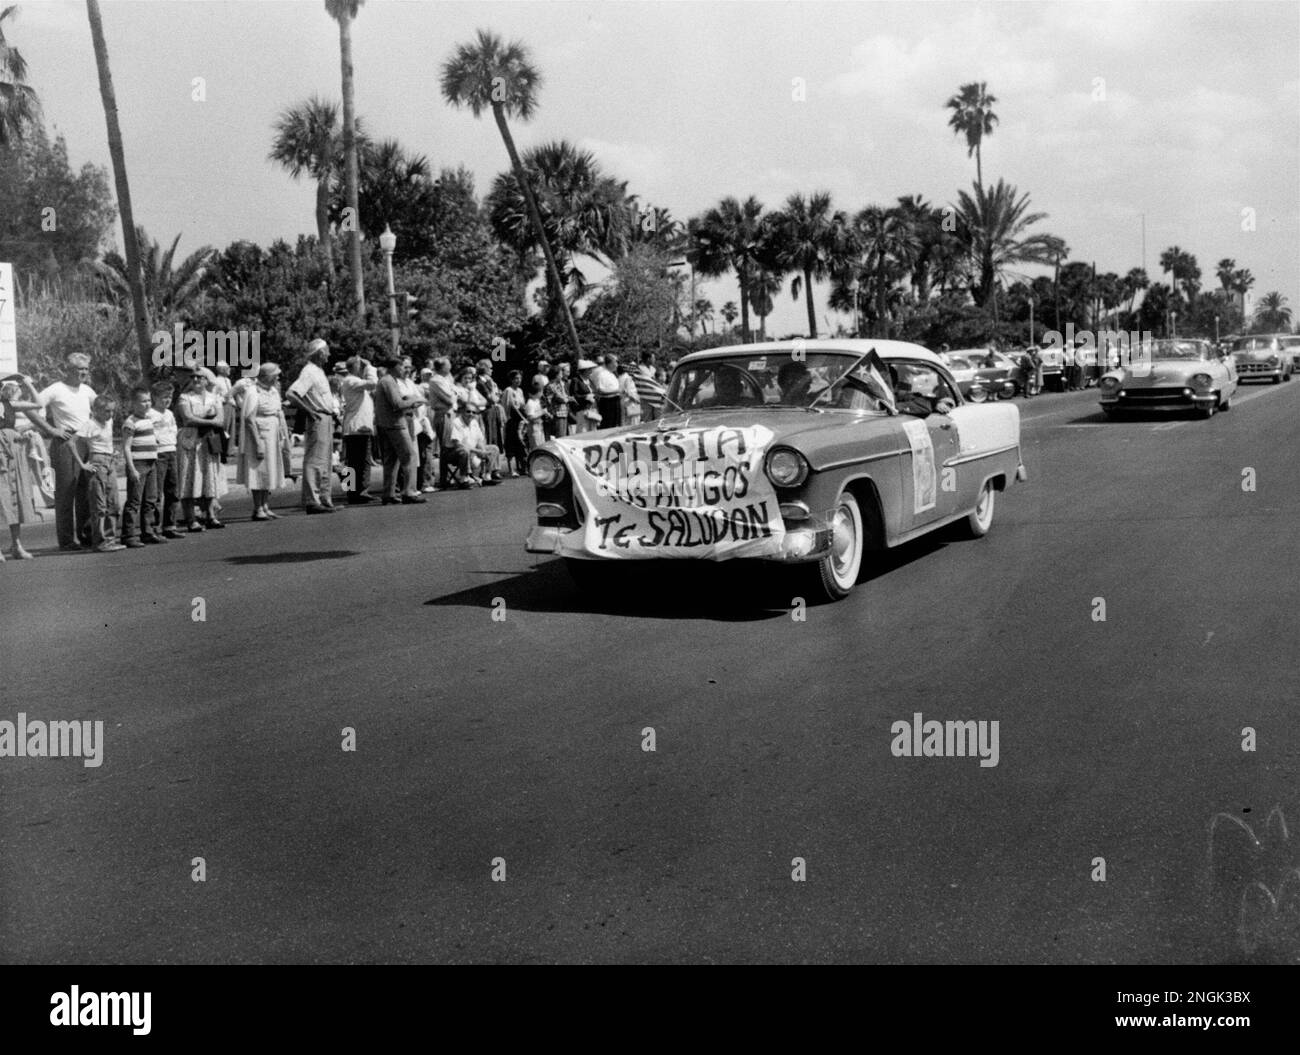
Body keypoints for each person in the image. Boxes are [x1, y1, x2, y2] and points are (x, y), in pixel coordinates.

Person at [37, 352, 97, 550]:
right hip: (65, 442)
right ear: (69, 370)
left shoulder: (87, 390)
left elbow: (101, 409)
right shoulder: (56, 389)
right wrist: (51, 429)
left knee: (86, 491)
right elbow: (33, 407)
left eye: (86, 369)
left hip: (86, 440)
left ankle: (86, 535)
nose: (84, 373)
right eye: (80, 369)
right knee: (65, 492)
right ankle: (67, 540)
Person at [286, 338, 338, 514]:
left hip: (326, 417)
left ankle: (324, 498)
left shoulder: (318, 371)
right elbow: (292, 394)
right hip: (318, 417)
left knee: (325, 461)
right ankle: (312, 499)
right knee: (315, 459)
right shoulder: (309, 371)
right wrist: (309, 410)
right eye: (327, 351)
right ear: (320, 353)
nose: (329, 355)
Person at [69, 394, 124, 552]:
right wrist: (83, 464)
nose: (110, 415)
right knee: (99, 505)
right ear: (96, 410)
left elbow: (107, 441)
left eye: (112, 411)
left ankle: (111, 538)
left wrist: (113, 452)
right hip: (97, 462)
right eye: (107, 411)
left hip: (110, 462)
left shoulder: (109, 422)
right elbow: (71, 443)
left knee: (113, 502)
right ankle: (99, 541)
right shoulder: (89, 424)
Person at [237, 362, 290, 521]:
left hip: (272, 435)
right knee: (259, 471)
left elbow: (278, 413)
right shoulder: (253, 392)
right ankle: (258, 507)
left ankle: (266, 505)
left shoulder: (273, 391)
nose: (278, 377)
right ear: (267, 376)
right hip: (259, 435)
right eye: (276, 375)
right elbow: (249, 419)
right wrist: (257, 442)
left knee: (269, 471)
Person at [176, 368, 227, 530]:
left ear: (207, 381)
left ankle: (211, 515)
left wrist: (206, 420)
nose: (196, 380)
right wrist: (210, 420)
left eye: (200, 377)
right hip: (190, 441)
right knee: (189, 477)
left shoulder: (214, 398)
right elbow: (188, 418)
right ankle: (191, 518)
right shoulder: (185, 397)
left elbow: (221, 420)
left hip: (208, 441)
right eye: (193, 377)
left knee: (210, 477)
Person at [373, 355, 426, 504]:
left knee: (391, 460)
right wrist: (415, 400)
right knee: (409, 455)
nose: (404, 369)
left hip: (387, 424)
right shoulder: (389, 381)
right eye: (401, 366)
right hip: (395, 423)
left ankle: (388, 493)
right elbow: (397, 404)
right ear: (394, 367)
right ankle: (409, 491)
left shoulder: (387, 381)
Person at [0, 374, 41, 560]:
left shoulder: (10, 404)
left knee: (15, 496)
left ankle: (16, 545)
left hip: (13, 452)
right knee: (1, 498)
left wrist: (26, 382)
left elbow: (38, 404)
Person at [120, 385, 165, 548]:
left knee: (150, 499)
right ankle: (128, 535)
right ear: (133, 403)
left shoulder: (148, 420)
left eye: (148, 401)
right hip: (138, 464)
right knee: (134, 501)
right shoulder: (130, 422)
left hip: (151, 463)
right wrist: (131, 469)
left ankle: (148, 531)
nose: (146, 404)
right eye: (142, 401)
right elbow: (126, 447)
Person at [339, 355, 378, 504]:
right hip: (355, 426)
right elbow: (373, 383)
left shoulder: (355, 381)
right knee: (355, 462)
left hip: (361, 426)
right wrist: (369, 367)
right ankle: (352, 492)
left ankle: (360, 491)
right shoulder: (351, 380)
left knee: (362, 461)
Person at [149, 381, 185, 539]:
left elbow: (174, 430)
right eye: (163, 397)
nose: (167, 400)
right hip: (158, 454)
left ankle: (169, 525)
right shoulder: (150, 413)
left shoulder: (169, 414)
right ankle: (154, 527)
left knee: (173, 490)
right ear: (155, 397)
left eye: (169, 397)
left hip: (171, 451)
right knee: (156, 493)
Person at [442, 402, 502, 487]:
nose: (471, 414)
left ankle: (486, 476)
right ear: (462, 411)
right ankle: (464, 479)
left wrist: (483, 451)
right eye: (468, 411)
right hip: (454, 452)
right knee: (464, 451)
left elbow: (480, 440)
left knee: (494, 449)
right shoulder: (456, 422)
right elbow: (458, 444)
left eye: (474, 412)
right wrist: (478, 451)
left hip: (472, 450)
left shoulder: (474, 422)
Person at [426, 358, 457, 489]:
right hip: (443, 413)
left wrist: (455, 393)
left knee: (451, 443)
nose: (450, 367)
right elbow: (450, 399)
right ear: (442, 367)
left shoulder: (445, 379)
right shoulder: (436, 380)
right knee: (445, 446)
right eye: (448, 365)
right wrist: (455, 394)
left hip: (449, 413)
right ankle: (444, 478)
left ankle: (448, 477)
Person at [502, 370, 528, 475]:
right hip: (512, 419)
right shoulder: (509, 390)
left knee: (521, 443)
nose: (518, 380)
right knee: (511, 443)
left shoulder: (520, 391)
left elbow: (522, 405)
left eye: (520, 378)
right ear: (512, 379)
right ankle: (511, 469)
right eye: (516, 378)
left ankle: (522, 467)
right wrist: (522, 417)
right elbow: (512, 406)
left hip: (520, 419)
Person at [633, 351, 665, 421]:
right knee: (647, 418)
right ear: (648, 359)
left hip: (655, 398)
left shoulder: (653, 369)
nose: (655, 359)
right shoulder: (639, 369)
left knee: (657, 417)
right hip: (645, 398)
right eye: (653, 358)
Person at [592, 355, 622, 428]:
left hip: (616, 401)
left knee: (616, 424)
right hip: (608, 403)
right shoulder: (602, 374)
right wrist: (616, 391)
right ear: (610, 363)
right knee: (608, 425)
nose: (617, 365)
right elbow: (600, 390)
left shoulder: (612, 374)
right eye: (615, 362)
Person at [545, 363, 573, 439]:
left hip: (563, 413)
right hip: (557, 414)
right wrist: (567, 398)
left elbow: (565, 396)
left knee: (563, 436)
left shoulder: (558, 385)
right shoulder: (551, 386)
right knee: (560, 437)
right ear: (556, 375)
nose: (562, 375)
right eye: (560, 374)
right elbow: (562, 399)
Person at [523, 379, 548, 451]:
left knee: (542, 445)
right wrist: (542, 412)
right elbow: (530, 417)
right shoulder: (530, 403)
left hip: (540, 426)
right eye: (541, 392)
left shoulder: (537, 401)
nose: (542, 394)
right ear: (537, 393)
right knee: (536, 446)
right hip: (534, 428)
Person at [617, 360, 642, 425]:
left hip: (623, 401)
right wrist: (637, 400)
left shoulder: (618, 378)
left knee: (625, 421)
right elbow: (629, 392)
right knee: (634, 422)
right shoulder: (628, 378)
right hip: (631, 402)